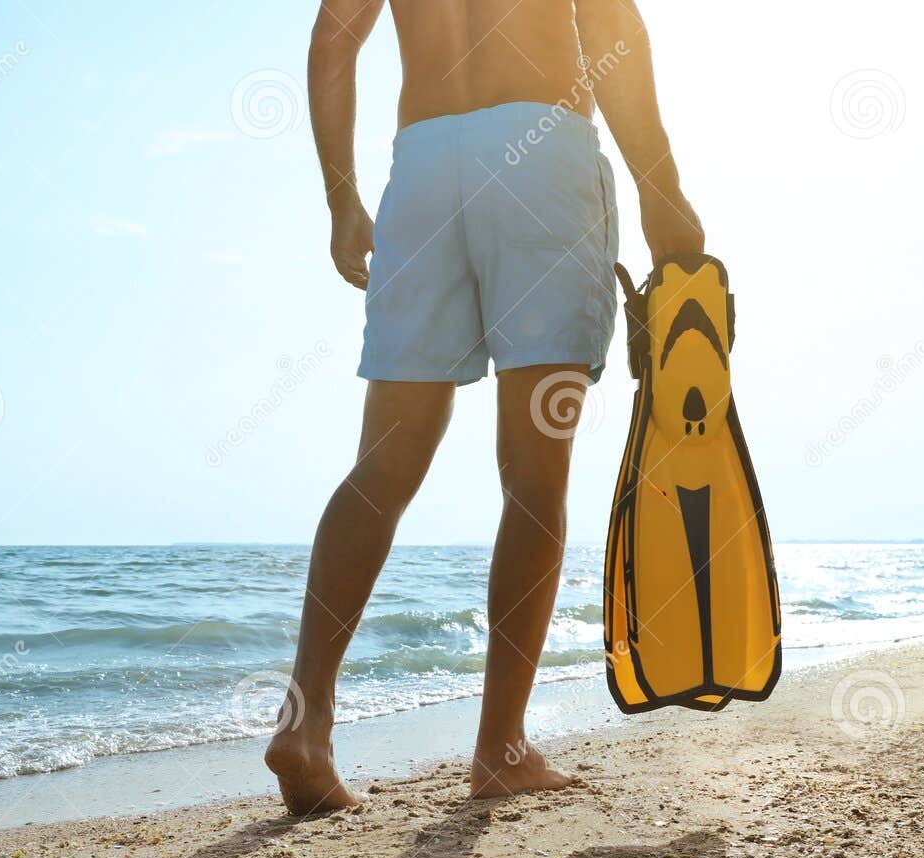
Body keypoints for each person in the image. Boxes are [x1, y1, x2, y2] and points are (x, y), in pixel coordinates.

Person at [266, 0, 705, 814]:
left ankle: (308, 721)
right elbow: (611, 27)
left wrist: (341, 199)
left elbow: (333, 36)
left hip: (425, 163)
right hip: (544, 153)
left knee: (384, 465)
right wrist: (660, 189)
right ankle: (500, 749)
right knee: (534, 476)